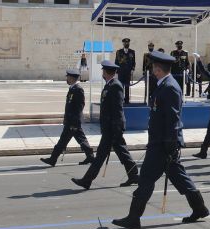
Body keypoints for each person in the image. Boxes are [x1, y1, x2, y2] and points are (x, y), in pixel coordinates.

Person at [112, 50, 209, 229]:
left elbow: (172, 118)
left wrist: (170, 144)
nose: (152, 71)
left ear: (157, 70)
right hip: (162, 141)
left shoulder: (170, 87)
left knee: (146, 178)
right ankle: (200, 208)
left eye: (153, 68)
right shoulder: (165, 84)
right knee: (179, 177)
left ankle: (134, 218)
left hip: (163, 144)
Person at [72, 60, 139, 189]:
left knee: (102, 155)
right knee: (122, 152)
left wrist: (115, 128)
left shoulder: (115, 86)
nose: (102, 72)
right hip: (110, 127)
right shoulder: (109, 85)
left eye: (103, 70)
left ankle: (87, 180)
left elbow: (117, 109)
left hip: (113, 127)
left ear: (106, 72)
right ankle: (134, 175)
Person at [41, 69, 96, 167]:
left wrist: (73, 121)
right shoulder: (72, 88)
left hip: (73, 121)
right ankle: (90, 156)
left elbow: (80, 106)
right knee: (79, 139)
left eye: (68, 77)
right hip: (71, 120)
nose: (66, 78)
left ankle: (53, 159)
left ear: (71, 78)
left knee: (63, 141)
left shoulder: (78, 89)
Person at [115, 38, 137, 105]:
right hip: (121, 72)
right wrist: (116, 71)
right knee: (120, 87)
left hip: (128, 72)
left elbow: (133, 62)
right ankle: (120, 99)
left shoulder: (132, 52)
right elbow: (116, 62)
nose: (126, 44)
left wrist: (132, 69)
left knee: (127, 86)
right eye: (125, 43)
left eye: (128, 43)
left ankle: (127, 100)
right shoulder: (119, 52)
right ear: (123, 44)